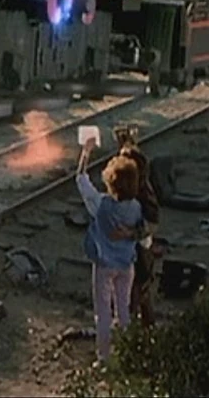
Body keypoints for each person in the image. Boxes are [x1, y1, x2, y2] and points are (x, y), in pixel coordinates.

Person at [75, 139, 143, 363]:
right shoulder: (136, 208)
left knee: (103, 312)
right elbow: (143, 233)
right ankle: (127, 355)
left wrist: (85, 153)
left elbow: (81, 180)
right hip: (127, 264)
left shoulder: (101, 204)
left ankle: (104, 357)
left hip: (104, 265)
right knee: (123, 310)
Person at [113, 127, 161, 328]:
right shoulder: (127, 190)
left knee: (137, 291)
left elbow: (152, 223)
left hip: (139, 251)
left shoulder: (143, 195)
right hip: (125, 251)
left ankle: (133, 331)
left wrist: (130, 233)